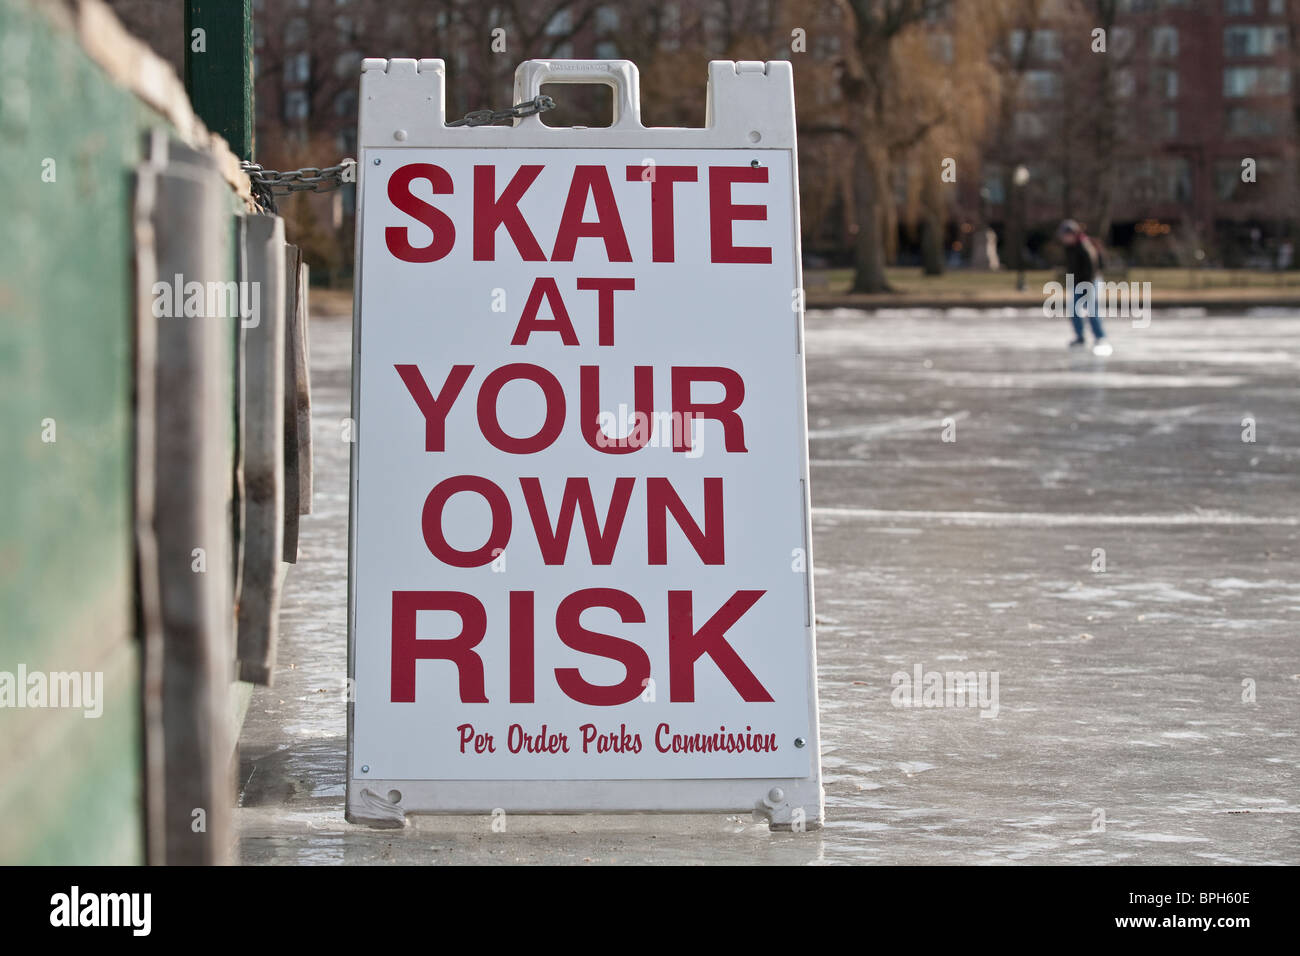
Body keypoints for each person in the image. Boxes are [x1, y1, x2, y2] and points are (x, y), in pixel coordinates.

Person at [1059, 219, 1111, 357]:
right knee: (1074, 310)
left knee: (1091, 310)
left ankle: (1100, 337)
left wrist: (1087, 285)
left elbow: (1092, 267)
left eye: (1066, 235)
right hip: (1078, 282)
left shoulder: (1084, 246)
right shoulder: (1069, 247)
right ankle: (1080, 337)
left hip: (1090, 281)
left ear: (1073, 234)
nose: (1064, 238)